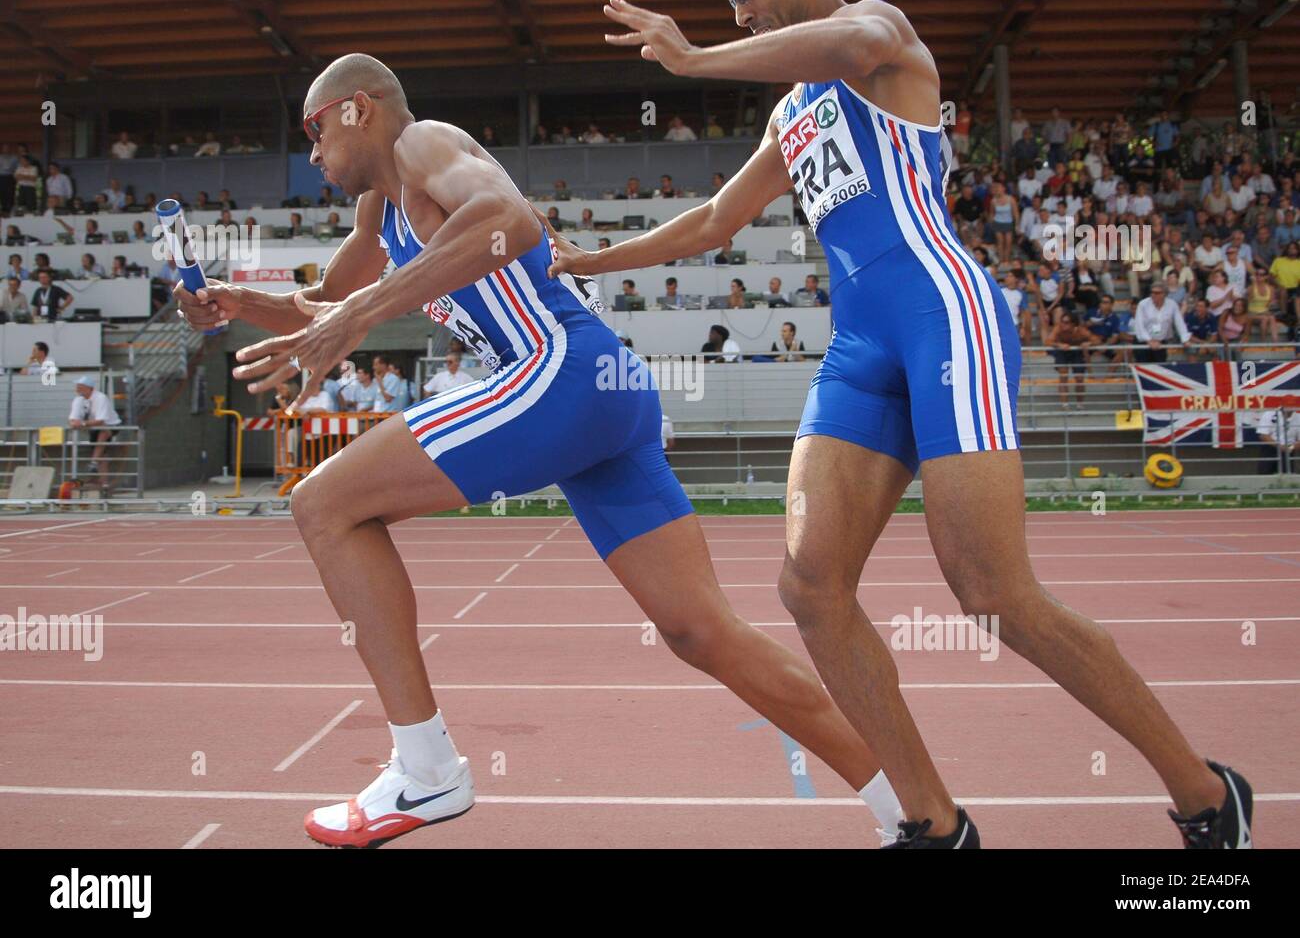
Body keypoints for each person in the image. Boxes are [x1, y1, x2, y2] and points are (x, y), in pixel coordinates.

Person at [549, 0, 1251, 849]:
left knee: (993, 592)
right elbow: (716, 221)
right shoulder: (793, 112)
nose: (741, 12)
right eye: (729, 2)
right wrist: (590, 263)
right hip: (860, 349)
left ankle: (1206, 795)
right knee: (810, 585)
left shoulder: (879, 37)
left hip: (942, 320)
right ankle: (934, 820)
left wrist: (693, 59)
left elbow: (854, 37)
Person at [175, 52, 905, 849]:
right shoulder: (376, 215)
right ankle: (912, 805)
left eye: (314, 130)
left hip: (560, 369)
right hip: (604, 391)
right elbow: (324, 305)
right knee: (704, 632)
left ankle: (427, 770)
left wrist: (359, 316)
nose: (311, 153)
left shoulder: (424, 145)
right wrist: (239, 303)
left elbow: (508, 223)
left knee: (324, 503)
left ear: (359, 108)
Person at [68, 377, 121, 475]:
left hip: (111, 424)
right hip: (93, 426)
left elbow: (101, 420)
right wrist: (75, 423)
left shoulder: (101, 398)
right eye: (77, 386)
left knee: (103, 432)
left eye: (80, 387)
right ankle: (102, 482)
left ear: (90, 388)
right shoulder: (78, 400)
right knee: (102, 452)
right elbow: (73, 419)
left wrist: (82, 424)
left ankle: (94, 462)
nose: (77, 389)